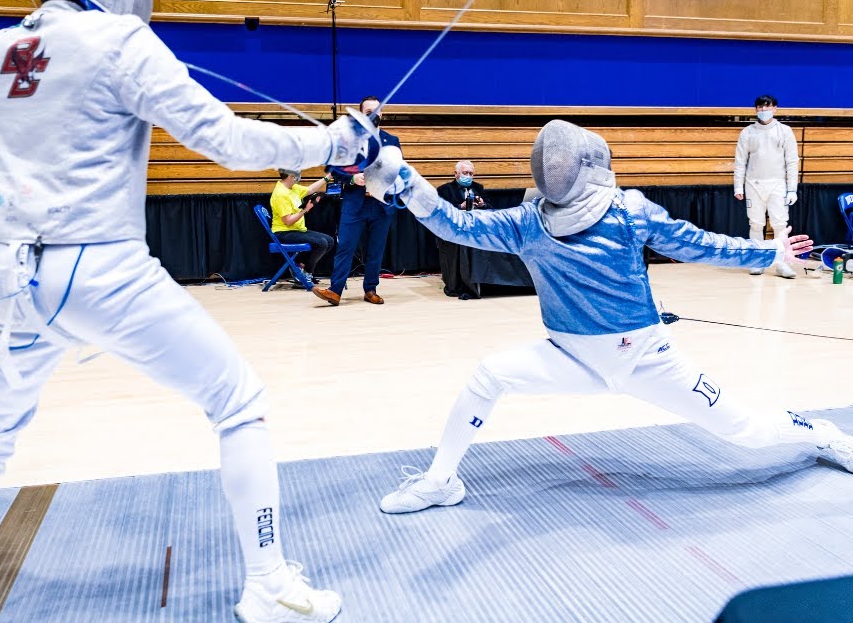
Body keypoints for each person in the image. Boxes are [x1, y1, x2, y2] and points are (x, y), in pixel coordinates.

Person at [0, 0, 375, 623]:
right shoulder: (121, 39)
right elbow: (224, 140)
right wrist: (335, 140)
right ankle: (268, 586)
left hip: (12, 283)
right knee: (238, 401)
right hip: (100, 271)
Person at [359, 120, 853, 515]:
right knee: (488, 376)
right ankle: (440, 480)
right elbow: (456, 224)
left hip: (647, 359)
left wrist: (767, 254)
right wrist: (403, 179)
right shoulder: (532, 221)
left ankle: (825, 435)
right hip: (570, 356)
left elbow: (697, 242)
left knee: (747, 430)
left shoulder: (617, 213)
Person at [312, 96, 401, 307]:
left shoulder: (392, 140)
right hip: (355, 204)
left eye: (376, 110)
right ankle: (335, 291)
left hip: (381, 205)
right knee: (346, 247)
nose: (372, 114)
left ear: (382, 114)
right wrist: (353, 178)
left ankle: (370, 289)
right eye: (367, 110)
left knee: (376, 250)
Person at [734, 95, 800, 278]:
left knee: (780, 224)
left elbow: (792, 162)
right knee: (756, 224)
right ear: (755, 110)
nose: (763, 111)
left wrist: (792, 188)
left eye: (767, 107)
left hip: (778, 184)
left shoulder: (785, 131)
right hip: (753, 184)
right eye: (760, 108)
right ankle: (757, 261)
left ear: (775, 108)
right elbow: (740, 161)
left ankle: (782, 264)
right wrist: (738, 187)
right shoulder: (747, 132)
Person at [271, 168, 335, 287]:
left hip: (297, 230)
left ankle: (301, 268)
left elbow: (310, 189)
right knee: (321, 243)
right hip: (283, 233)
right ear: (291, 176)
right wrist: (306, 210)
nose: (299, 176)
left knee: (330, 241)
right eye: (297, 174)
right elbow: (288, 221)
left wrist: (328, 177)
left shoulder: (292, 188)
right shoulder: (280, 194)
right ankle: (305, 274)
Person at [435, 160, 489, 300]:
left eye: (471, 174)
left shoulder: (478, 187)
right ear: (456, 174)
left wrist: (483, 204)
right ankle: (459, 283)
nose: (468, 176)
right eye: (465, 173)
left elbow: (490, 206)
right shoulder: (444, 190)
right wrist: (460, 206)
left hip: (476, 228)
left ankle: (486, 280)